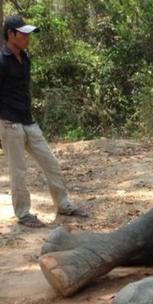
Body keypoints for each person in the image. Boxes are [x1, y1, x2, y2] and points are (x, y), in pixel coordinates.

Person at [0, 15, 88, 228]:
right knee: (18, 171)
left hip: (28, 121)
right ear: (11, 35)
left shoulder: (25, 57)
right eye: (23, 34)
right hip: (9, 123)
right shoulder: (2, 61)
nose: (27, 38)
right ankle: (23, 214)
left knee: (51, 163)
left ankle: (64, 205)